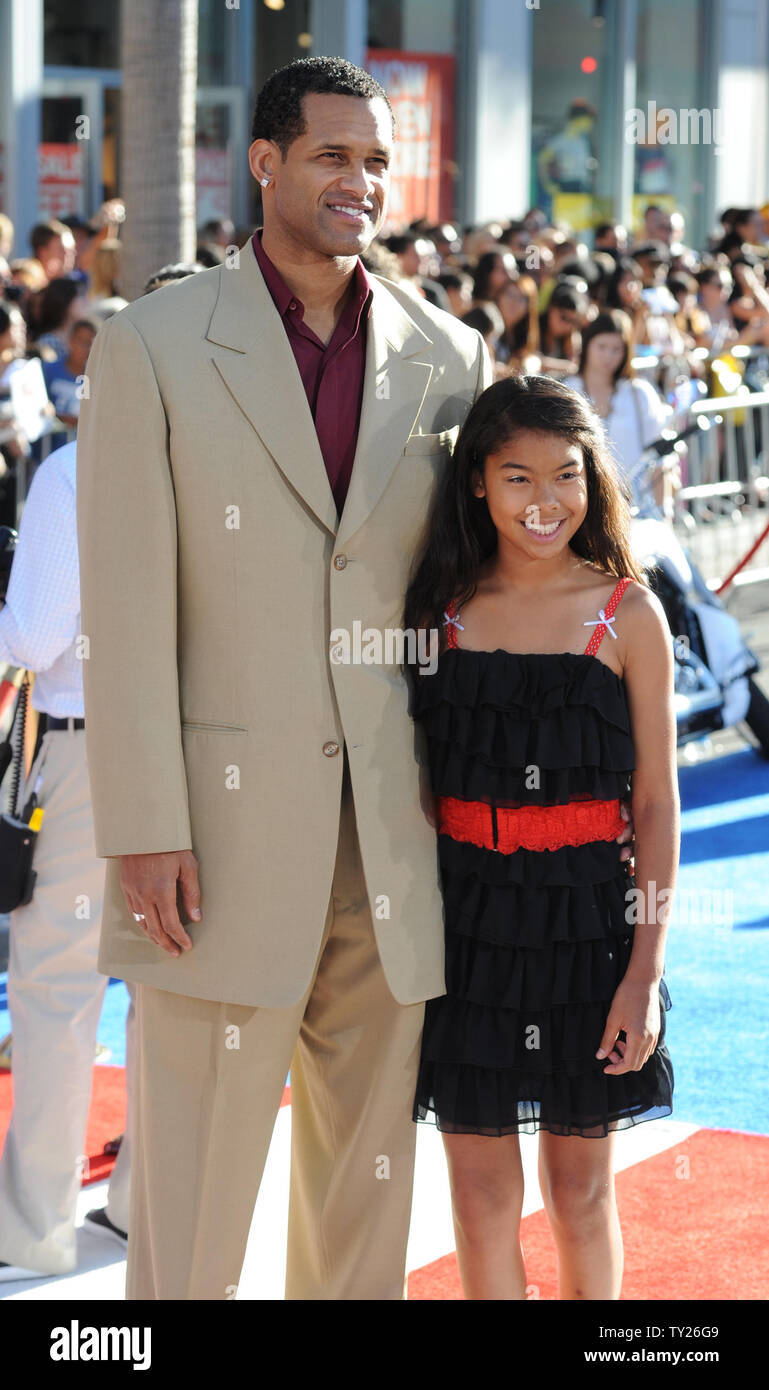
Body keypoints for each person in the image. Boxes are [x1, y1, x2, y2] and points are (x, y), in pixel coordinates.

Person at [76, 55, 497, 1302]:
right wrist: (145, 825)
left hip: (391, 840)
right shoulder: (151, 345)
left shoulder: (452, 355)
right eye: (331, 155)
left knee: (361, 1208)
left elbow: (470, 598)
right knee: (196, 1210)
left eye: (375, 160)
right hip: (211, 843)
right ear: (264, 162)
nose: (359, 181)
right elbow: (126, 607)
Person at [403, 373, 677, 1300]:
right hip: (463, 931)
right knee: (477, 1198)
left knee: (577, 1192)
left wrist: (642, 974)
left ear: (592, 480)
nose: (544, 502)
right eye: (517, 477)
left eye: (565, 475)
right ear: (476, 482)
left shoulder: (628, 613)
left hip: (589, 930)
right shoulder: (437, 609)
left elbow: (656, 804)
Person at [0, 437, 135, 1282]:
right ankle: (143, 1205)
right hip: (210, 753)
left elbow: (36, 637)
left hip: (90, 748)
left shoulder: (80, 467)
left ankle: (33, 1228)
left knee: (56, 990)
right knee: (172, 993)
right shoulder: (233, 451)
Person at [562, 309, 673, 507]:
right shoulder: (568, 391)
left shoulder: (639, 393)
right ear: (587, 346)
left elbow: (659, 457)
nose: (608, 356)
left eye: (616, 349)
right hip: (583, 506)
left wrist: (664, 510)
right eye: (602, 347)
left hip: (635, 505)